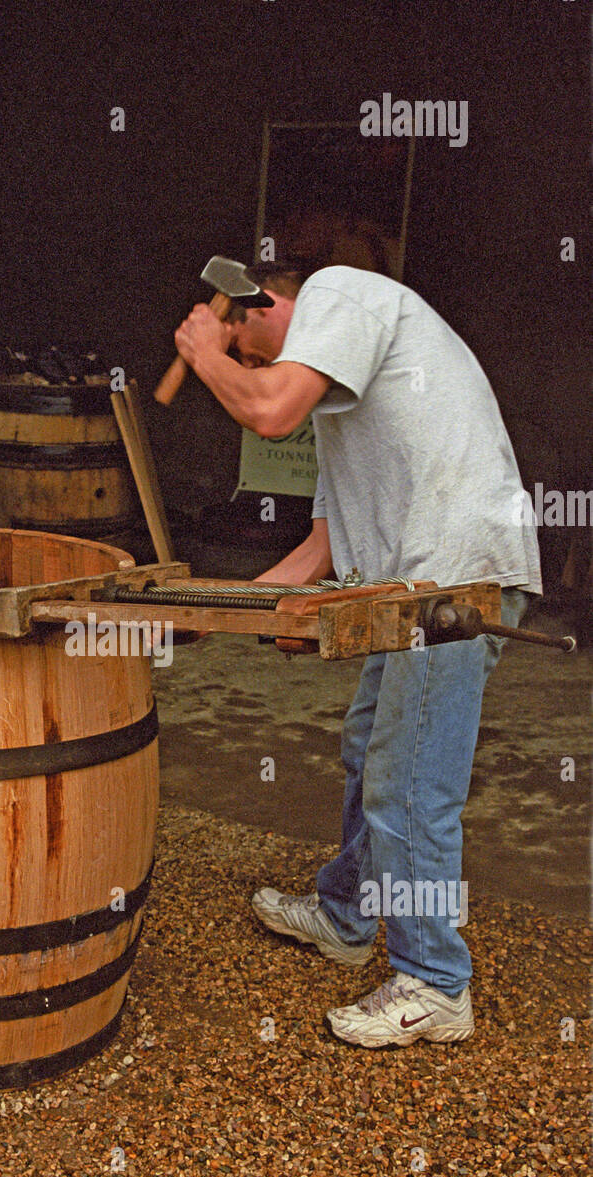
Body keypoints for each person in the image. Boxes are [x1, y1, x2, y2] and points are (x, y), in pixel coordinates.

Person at [173, 257, 542, 1049]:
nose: (254, 369)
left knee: (410, 782)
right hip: (408, 586)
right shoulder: (344, 408)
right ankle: (346, 915)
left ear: (261, 303)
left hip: (456, 578)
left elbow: (267, 413)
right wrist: (215, 610)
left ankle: (436, 983)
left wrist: (204, 352)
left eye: (247, 349)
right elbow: (321, 548)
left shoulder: (341, 292)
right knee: (366, 749)